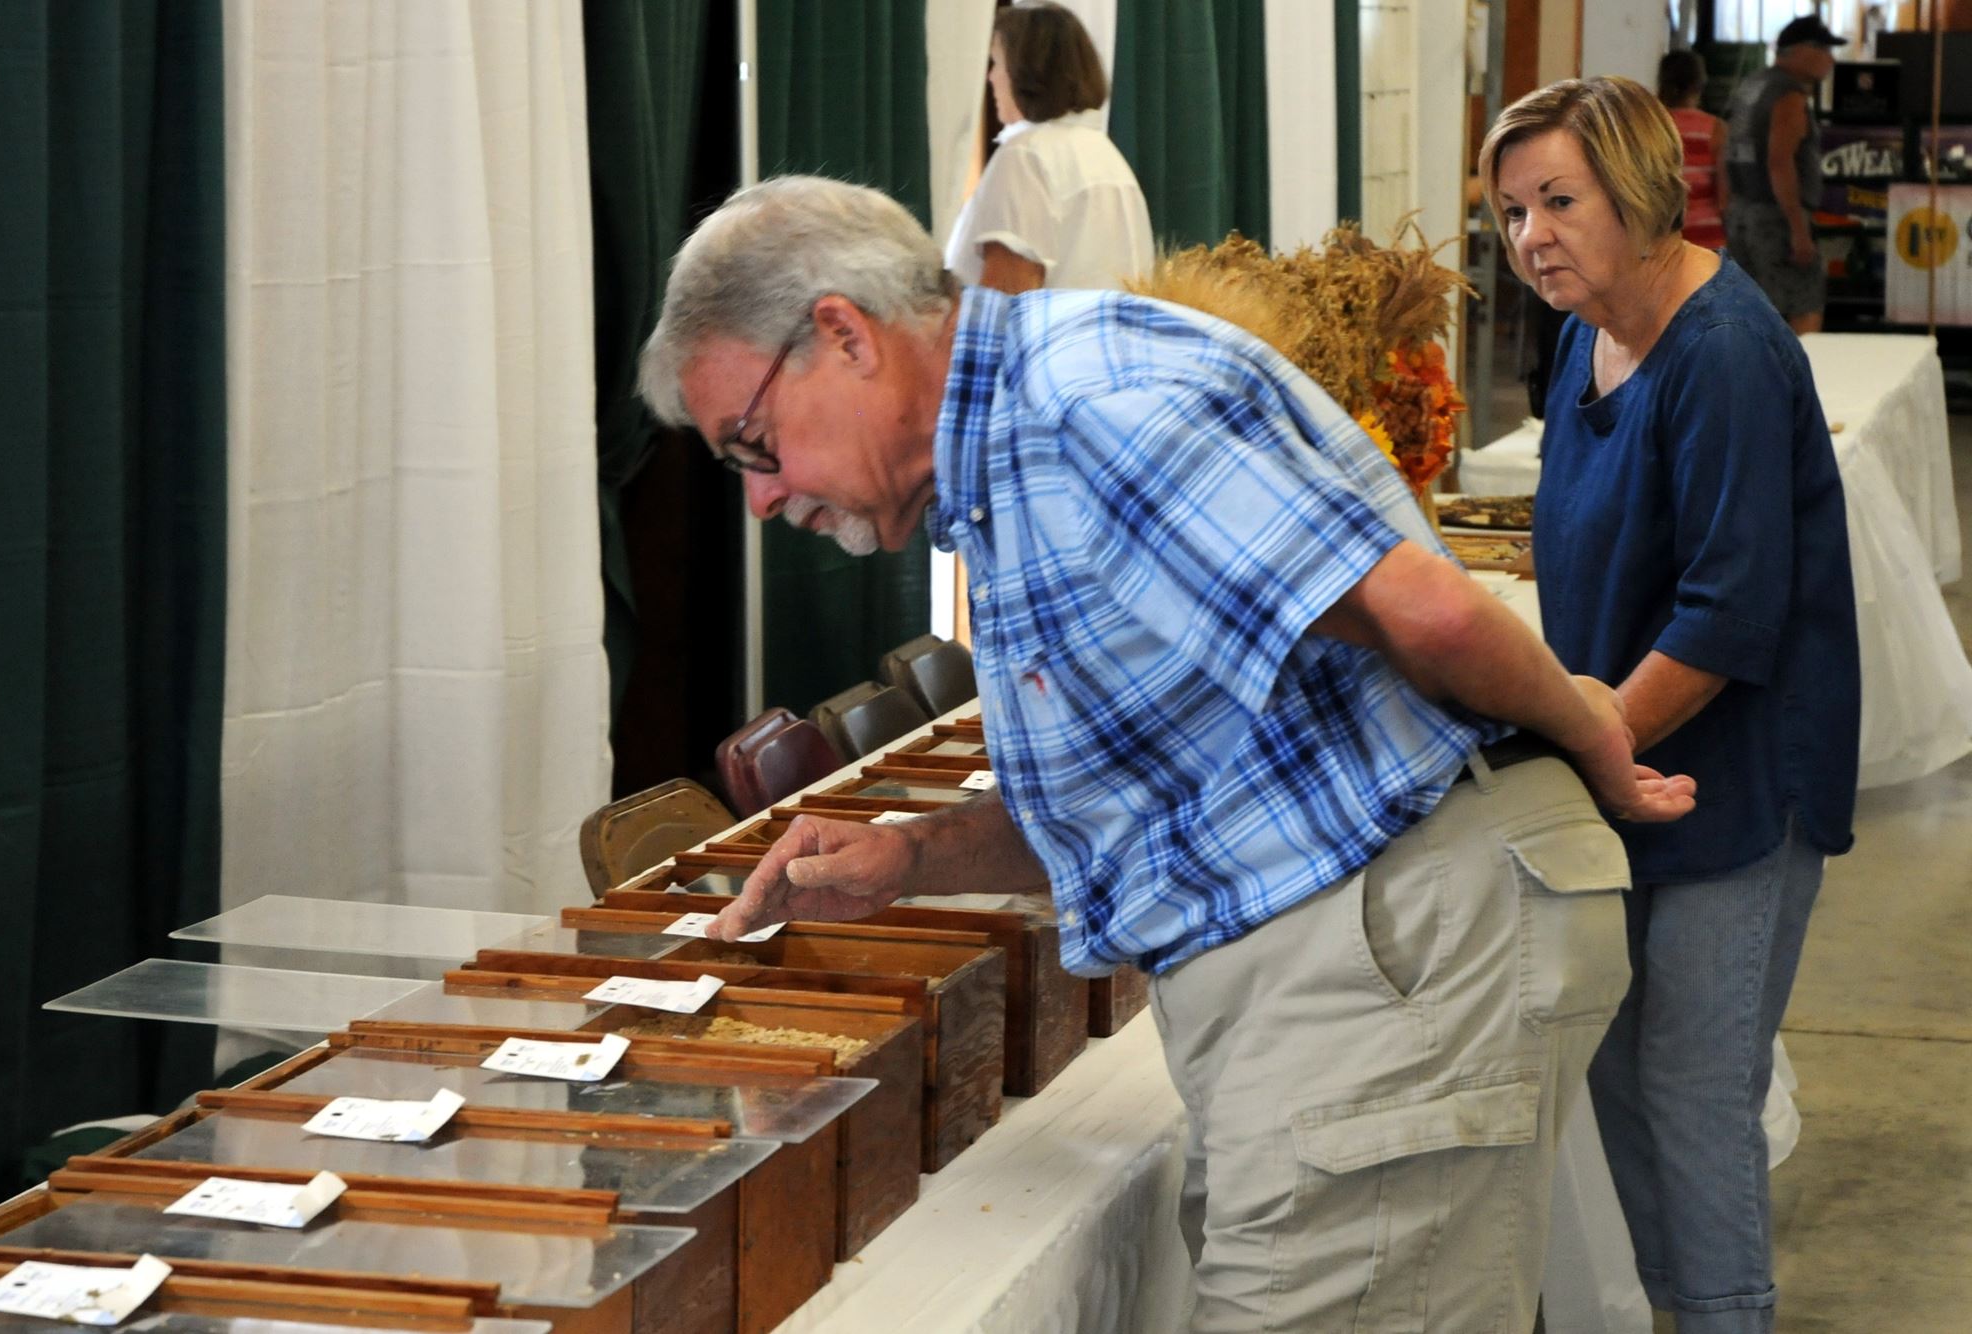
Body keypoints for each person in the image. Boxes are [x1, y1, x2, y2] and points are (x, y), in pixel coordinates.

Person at [639, 173, 1696, 1331]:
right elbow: (1155, 785)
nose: (760, 496)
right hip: (1365, 939)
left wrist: (1588, 726)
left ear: (840, 334)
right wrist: (907, 858)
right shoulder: (1015, 455)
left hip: (1385, 937)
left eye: (752, 442)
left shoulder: (1080, 408)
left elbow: (1426, 614)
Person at [1480, 76, 1859, 1332]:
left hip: (1734, 776)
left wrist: (1597, 734)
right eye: (1509, 209)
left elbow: (1728, 612)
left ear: (1638, 190)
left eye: (1556, 199)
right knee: (1626, 1076)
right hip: (1631, 766)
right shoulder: (1584, 330)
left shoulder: (1725, 352)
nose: (1530, 234)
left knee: (1694, 1085)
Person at [942, 1, 1153, 294]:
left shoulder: (1025, 157)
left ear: (1025, 72)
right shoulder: (1104, 152)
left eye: (997, 63)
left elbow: (1003, 299)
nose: (991, 77)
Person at [1723, 15, 1846, 333]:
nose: (1830, 59)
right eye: (1825, 49)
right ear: (1803, 50)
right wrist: (1798, 228)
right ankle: (1798, 381)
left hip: (1741, 212)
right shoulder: (1788, 95)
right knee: (1802, 305)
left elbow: (1724, 149)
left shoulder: (1751, 85)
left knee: (1751, 310)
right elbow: (1780, 162)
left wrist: (1728, 210)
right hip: (1776, 217)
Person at [1658, 50, 1728, 250]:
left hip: (1663, 237)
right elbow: (1724, 198)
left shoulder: (1652, 125)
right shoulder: (1716, 129)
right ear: (1700, 83)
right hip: (1708, 237)